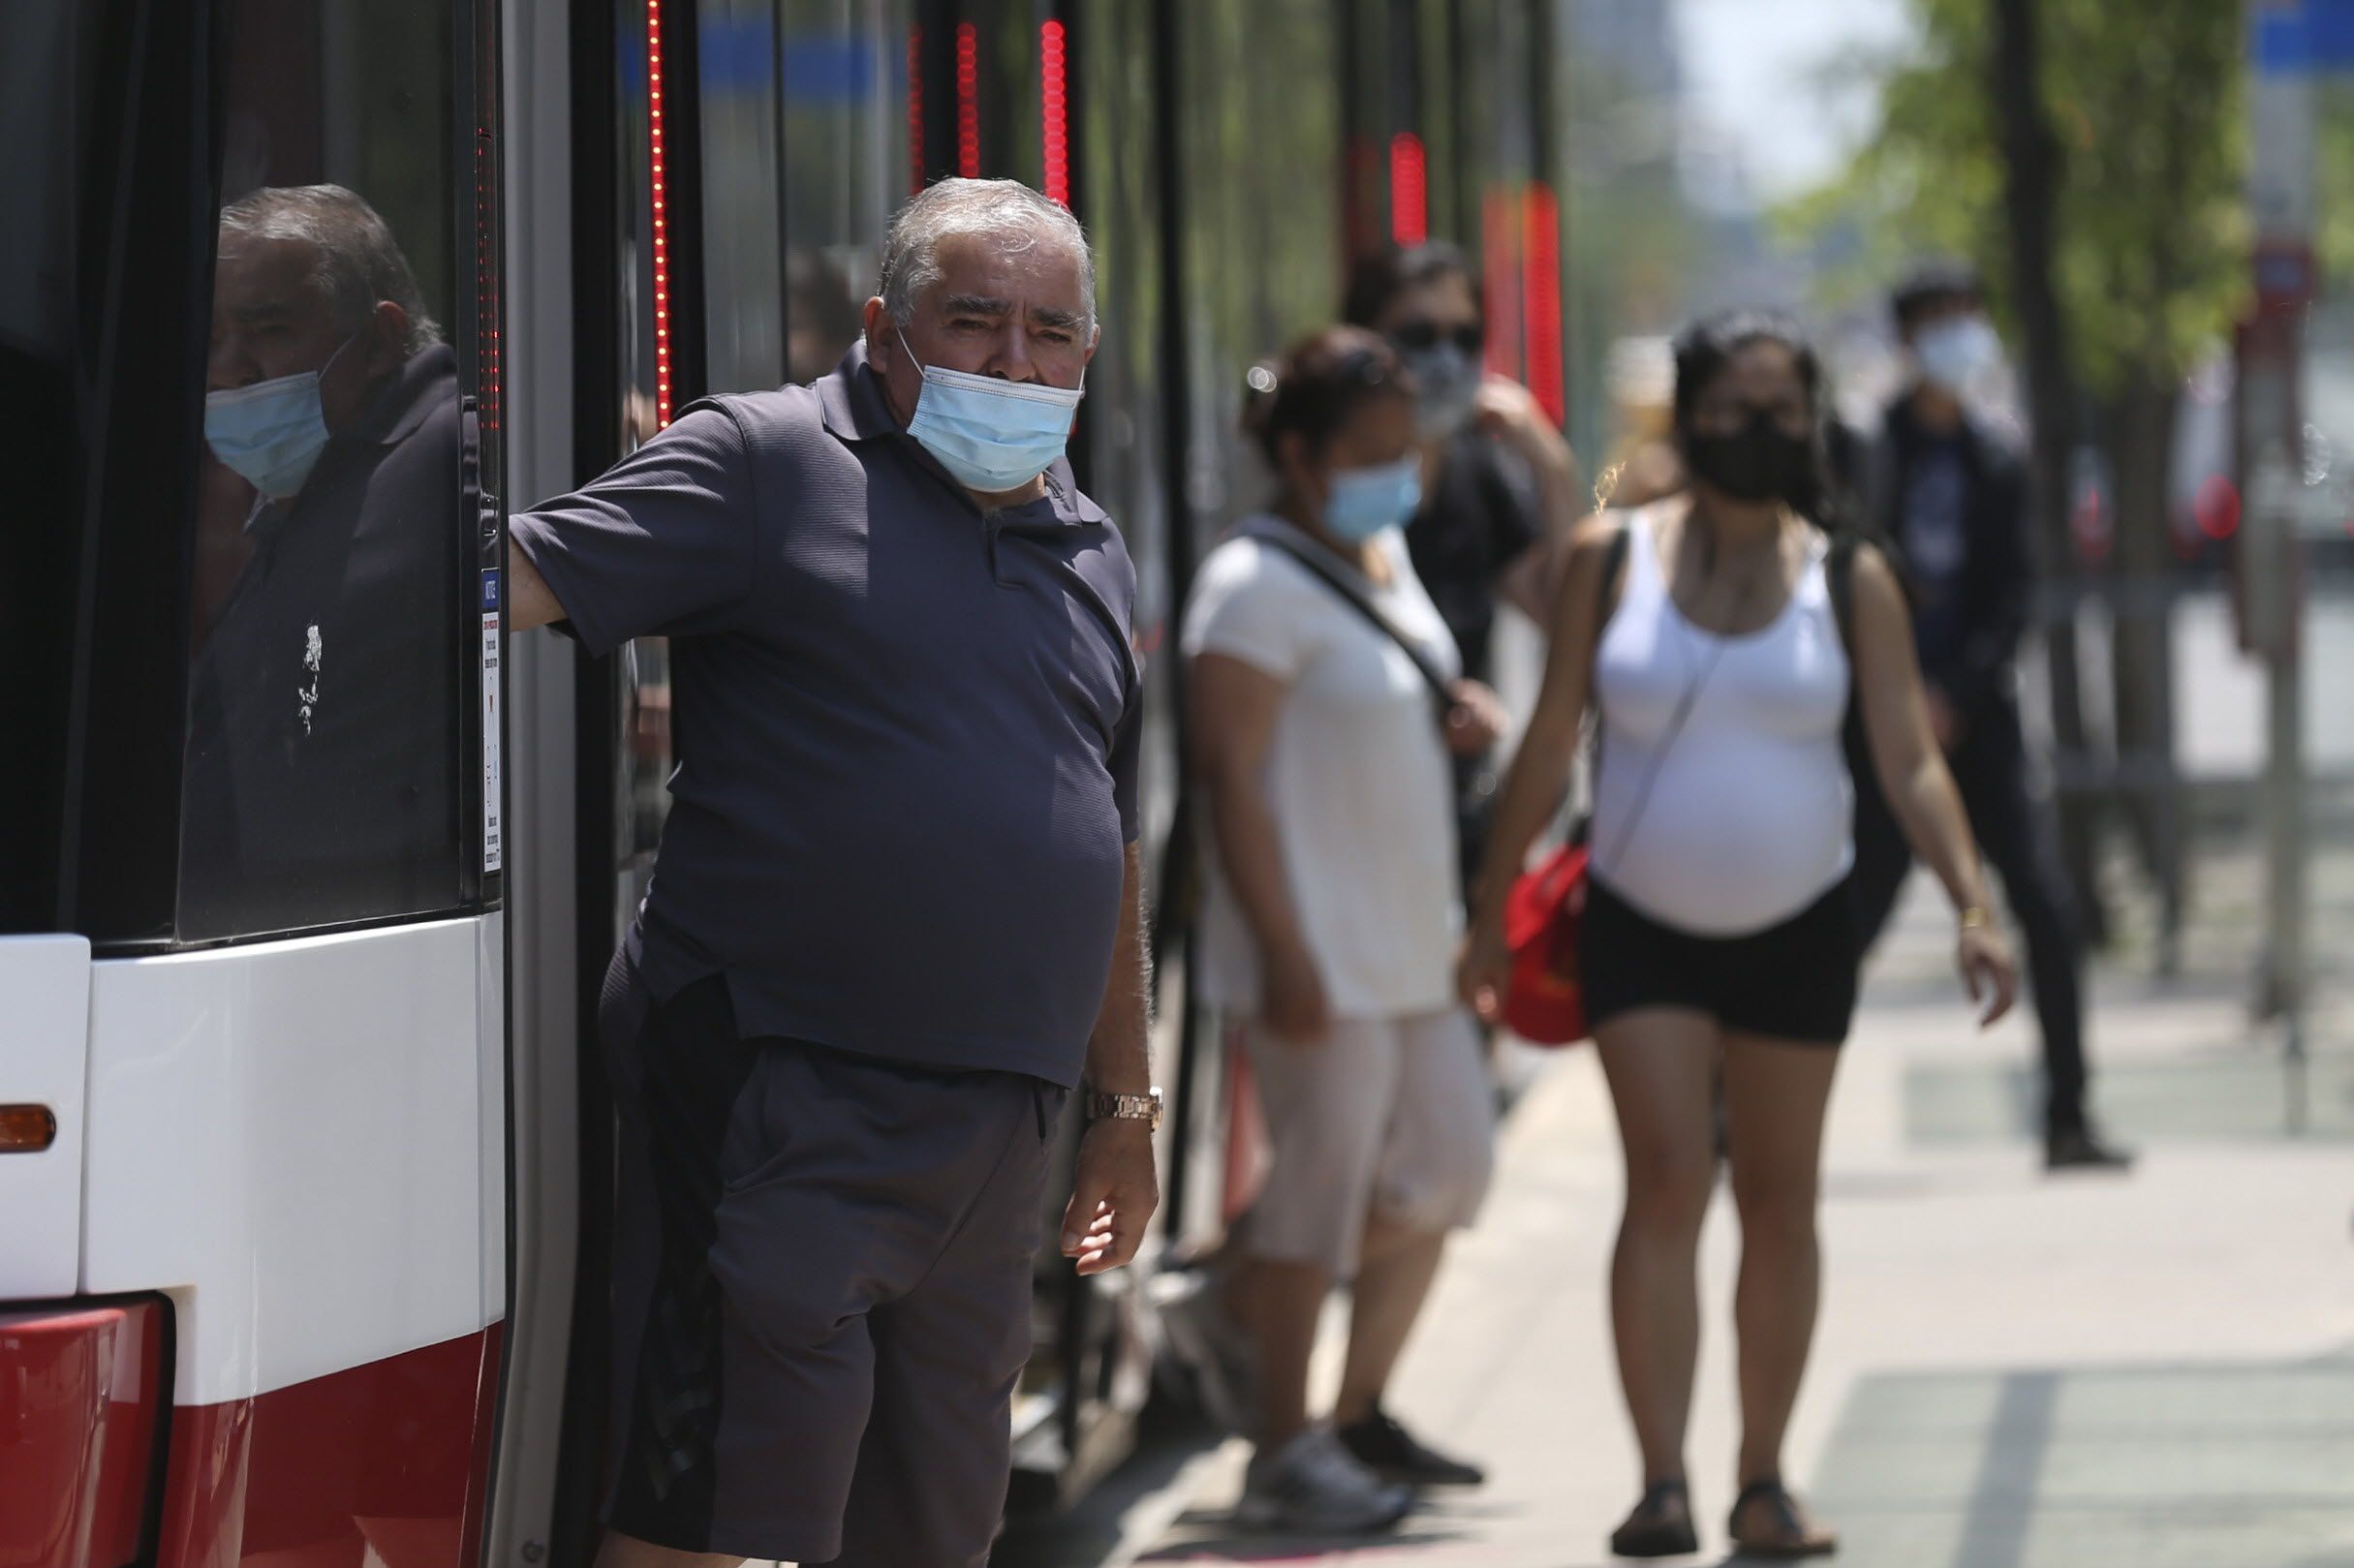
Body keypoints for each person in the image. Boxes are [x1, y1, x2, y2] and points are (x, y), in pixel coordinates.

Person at [503, 178, 1159, 1568]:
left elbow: (1100, 842)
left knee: (936, 1520)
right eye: (973, 322)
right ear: (883, 329)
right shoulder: (765, 458)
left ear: (1086, 358)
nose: (1015, 361)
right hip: (780, 1086)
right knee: (711, 1506)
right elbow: (506, 584)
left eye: (1050, 332)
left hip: (994, 1135)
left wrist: (1123, 1103)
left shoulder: (1086, 542)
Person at [1459, 312, 2020, 1559]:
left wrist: (1976, 907)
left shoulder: (1849, 573)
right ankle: (1661, 1479)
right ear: (1689, 413)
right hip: (1640, 924)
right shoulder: (1611, 560)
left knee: (1779, 1197)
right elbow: (1549, 741)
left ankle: (1762, 1478)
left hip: (1798, 926)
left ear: (1811, 423)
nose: (1755, 431)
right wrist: (1489, 914)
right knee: (1665, 1181)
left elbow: (1910, 757)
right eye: (1731, 406)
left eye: (1782, 409)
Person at [1182, 327, 1502, 1533]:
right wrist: (1285, 950)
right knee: (1318, 1200)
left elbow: (1388, 697)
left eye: (1407, 450)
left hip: (1411, 943)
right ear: (1304, 456)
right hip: (1317, 953)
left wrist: (1456, 711)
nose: (1401, 473)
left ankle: (1271, 1334)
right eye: (1374, 452)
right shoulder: (1247, 589)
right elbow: (1229, 778)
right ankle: (1284, 1441)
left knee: (1447, 1168)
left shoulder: (1381, 556)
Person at [1850, 262, 2132, 1172]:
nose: (1957, 338)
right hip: (1887, 728)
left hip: (1980, 724)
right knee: (1850, 912)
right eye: (1937, 321)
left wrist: (1959, 692)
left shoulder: (1997, 453)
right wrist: (1902, 696)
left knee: (2042, 909)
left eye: (1967, 317)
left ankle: (2069, 1114)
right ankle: (1750, 1104)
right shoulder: (1868, 448)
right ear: (1904, 339)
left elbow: (2014, 594)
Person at [181, 184, 466, 938]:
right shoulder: (321, 478)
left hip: (385, 952)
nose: (229, 370)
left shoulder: (453, 460)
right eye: (211, 340)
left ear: (377, 341)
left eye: (266, 330)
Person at [1344, 243, 1582, 886]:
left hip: (1455, 826)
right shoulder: (1334, 480)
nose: (1445, 358)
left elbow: (1572, 620)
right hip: (1348, 816)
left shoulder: (1479, 475)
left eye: (1465, 337)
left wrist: (1554, 469)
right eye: (1418, 335)